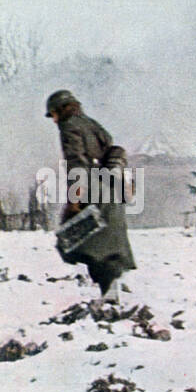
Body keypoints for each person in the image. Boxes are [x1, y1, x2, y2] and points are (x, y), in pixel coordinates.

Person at [46, 89, 136, 303]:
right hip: (111, 188)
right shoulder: (92, 124)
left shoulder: (69, 127)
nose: (54, 120)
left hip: (91, 188)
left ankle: (109, 293)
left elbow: (76, 163)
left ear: (61, 110)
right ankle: (111, 288)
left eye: (53, 114)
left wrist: (75, 199)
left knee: (83, 241)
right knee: (106, 242)